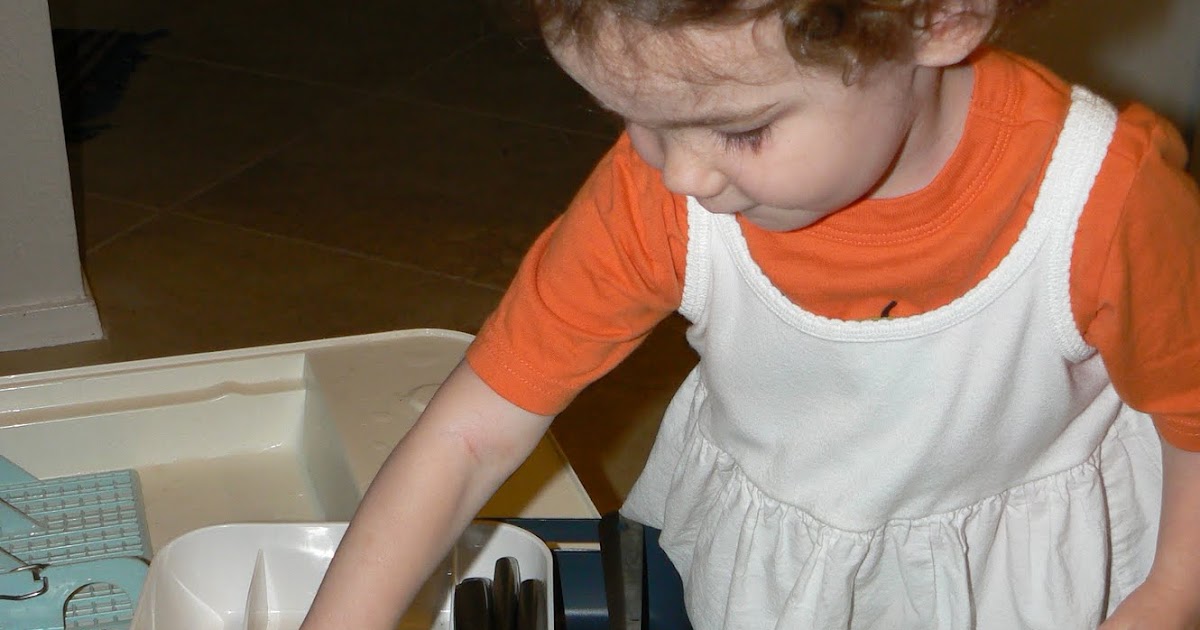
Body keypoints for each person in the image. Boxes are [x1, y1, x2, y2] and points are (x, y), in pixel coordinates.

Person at [301, 0, 1200, 627]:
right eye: (633, 118)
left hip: (1021, 583)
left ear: (939, 15)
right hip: (775, 575)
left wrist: (1169, 599)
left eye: (739, 130)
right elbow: (469, 435)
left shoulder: (1105, 200)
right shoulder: (655, 192)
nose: (681, 177)